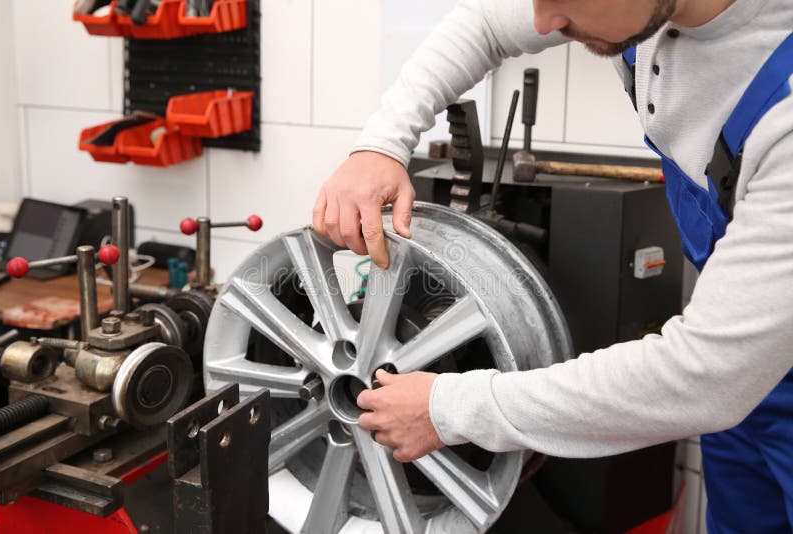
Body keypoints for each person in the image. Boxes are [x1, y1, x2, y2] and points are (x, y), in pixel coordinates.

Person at [312, 0, 793, 531]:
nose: (543, 23)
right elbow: (487, 24)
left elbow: (705, 377)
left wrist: (450, 409)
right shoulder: (645, 15)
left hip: (735, 365)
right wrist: (379, 146)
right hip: (742, 371)